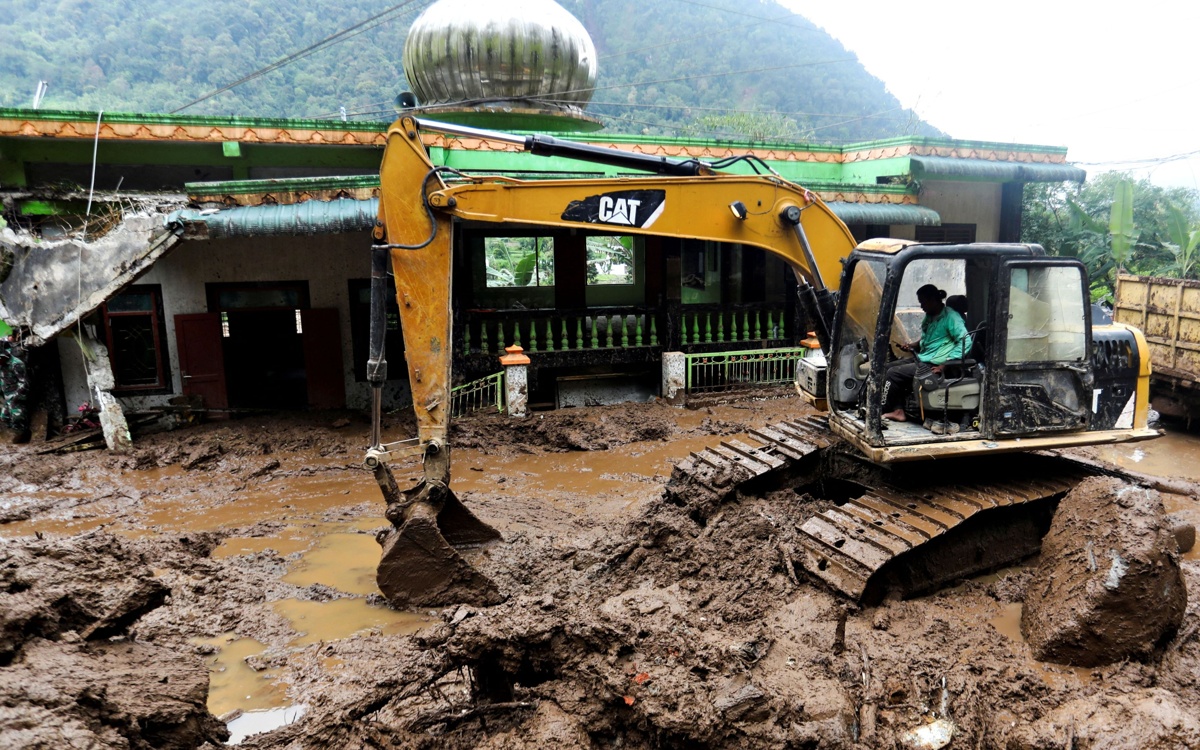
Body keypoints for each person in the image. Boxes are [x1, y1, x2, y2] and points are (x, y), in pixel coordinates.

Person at [882, 284, 970, 422]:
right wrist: (912, 346)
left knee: (893, 374)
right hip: (923, 358)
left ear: (933, 300)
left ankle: (888, 410)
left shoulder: (951, 317)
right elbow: (927, 340)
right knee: (886, 367)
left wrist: (944, 365)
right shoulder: (930, 316)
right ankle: (898, 409)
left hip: (934, 364)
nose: (921, 306)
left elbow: (966, 342)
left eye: (923, 302)